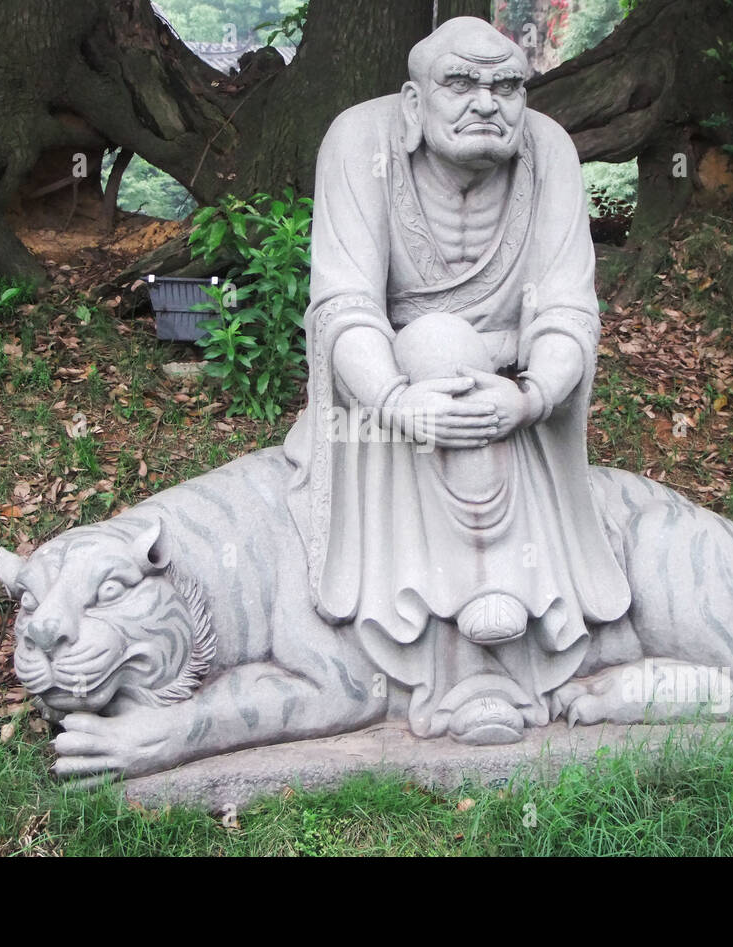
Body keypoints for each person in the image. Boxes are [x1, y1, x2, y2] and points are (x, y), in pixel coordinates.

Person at [285, 17, 630, 745]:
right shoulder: (359, 141)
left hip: (513, 391)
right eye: (462, 83)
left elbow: (567, 311)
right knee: (436, 341)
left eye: (507, 86)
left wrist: (532, 395)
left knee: (459, 360)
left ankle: (494, 653)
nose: (487, 103)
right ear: (414, 103)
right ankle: (463, 657)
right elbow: (344, 307)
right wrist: (396, 399)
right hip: (392, 388)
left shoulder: (550, 152)